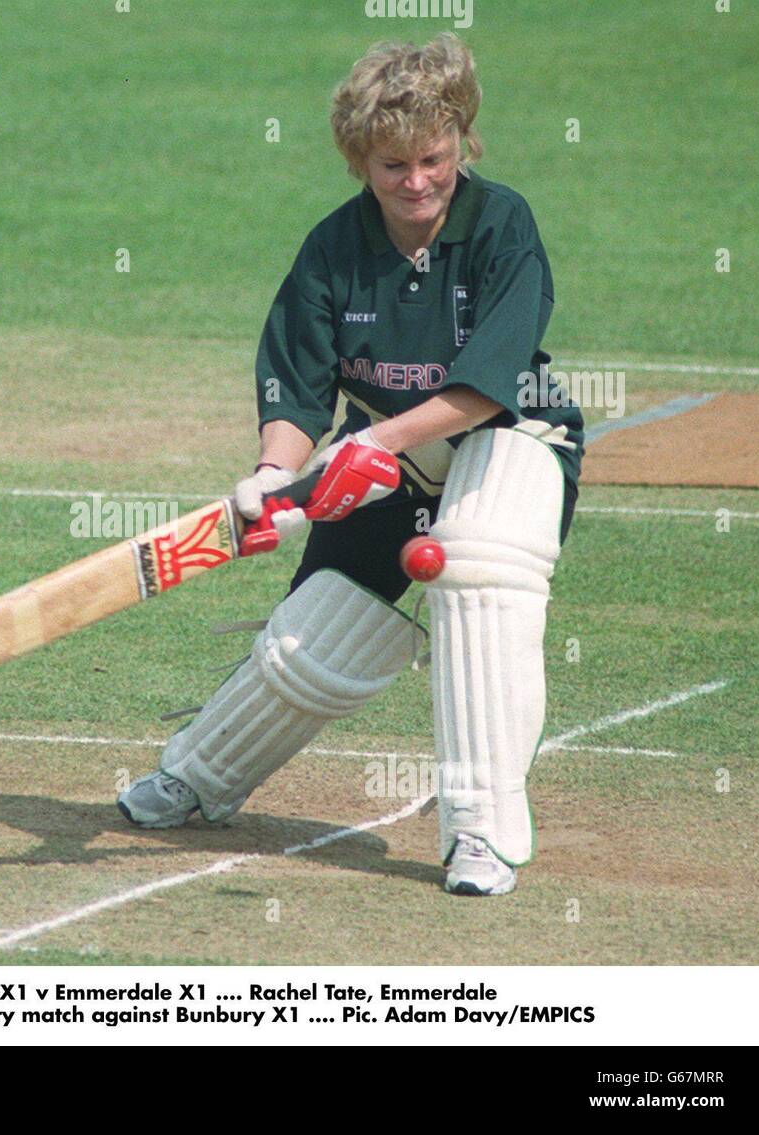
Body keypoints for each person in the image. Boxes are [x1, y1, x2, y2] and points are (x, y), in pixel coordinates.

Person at [118, 33, 583, 896]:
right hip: (387, 456)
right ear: (360, 162)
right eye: (393, 165)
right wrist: (272, 474)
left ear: (463, 141)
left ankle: (479, 829)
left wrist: (376, 441)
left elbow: (488, 382)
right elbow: (299, 386)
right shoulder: (334, 247)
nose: (418, 182)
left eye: (435, 158)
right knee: (315, 637)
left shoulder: (502, 226)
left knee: (477, 562)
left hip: (512, 436)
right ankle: (197, 774)